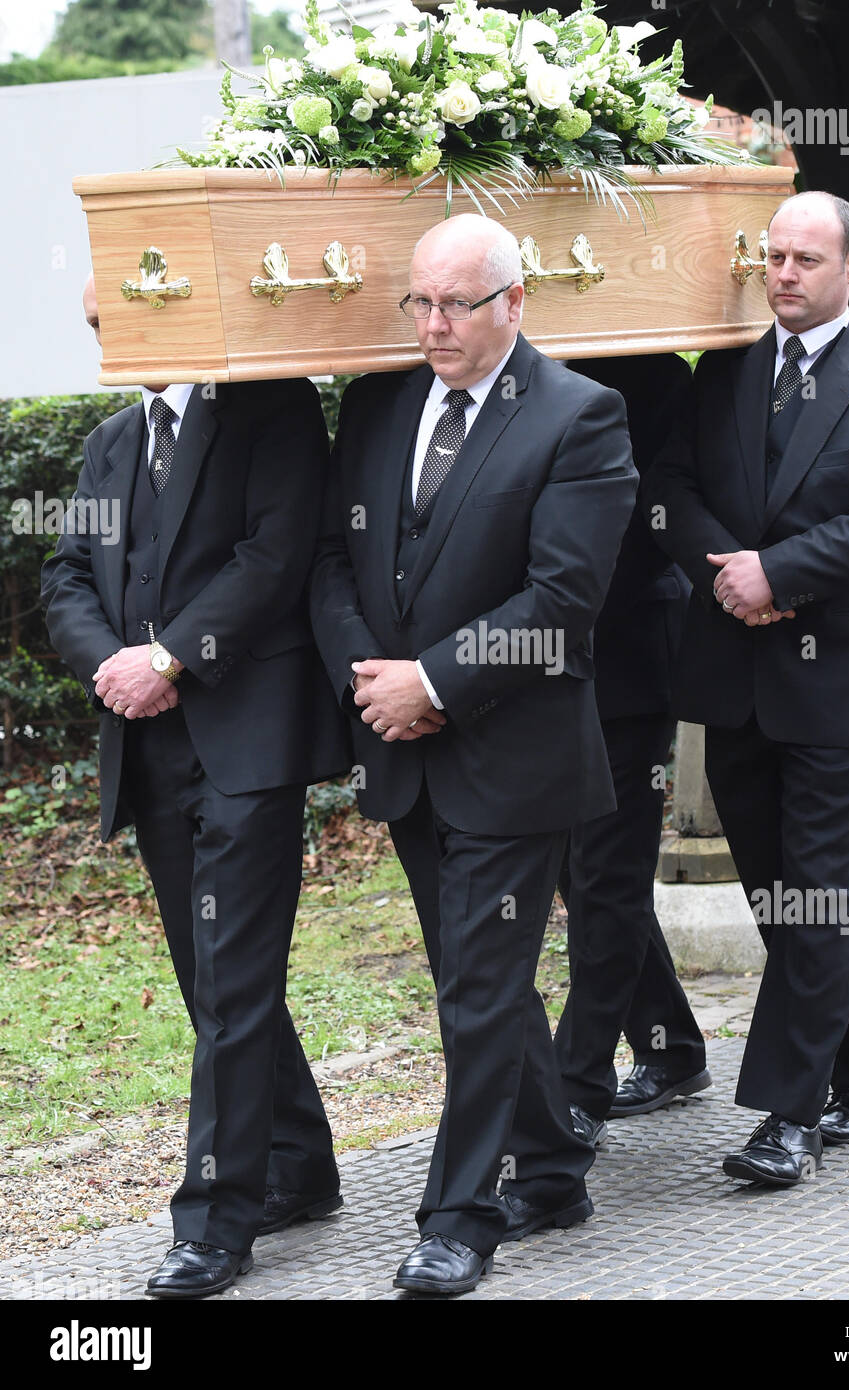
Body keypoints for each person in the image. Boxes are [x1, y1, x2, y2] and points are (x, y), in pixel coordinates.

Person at [310, 213, 637, 1294]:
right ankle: (550, 1166)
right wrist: (375, 680)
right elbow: (333, 560)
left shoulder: (579, 415)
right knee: (474, 977)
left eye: (456, 303)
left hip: (517, 756)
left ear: (514, 301)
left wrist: (435, 682)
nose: (433, 324)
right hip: (402, 745)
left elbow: (563, 599)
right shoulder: (374, 405)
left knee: (481, 985)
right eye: (419, 302)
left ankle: (459, 1216)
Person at [40, 277, 351, 1297]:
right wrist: (115, 669)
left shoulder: (270, 405)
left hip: (246, 743)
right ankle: (300, 1163)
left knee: (229, 980)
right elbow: (66, 580)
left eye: (118, 319)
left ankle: (216, 1221)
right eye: (95, 325)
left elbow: (273, 557)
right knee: (210, 979)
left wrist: (169, 657)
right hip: (148, 744)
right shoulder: (110, 445)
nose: (106, 339)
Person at [644, 191, 849, 1186]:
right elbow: (673, 489)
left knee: (818, 897)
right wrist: (723, 573)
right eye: (771, 256)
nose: (781, 273)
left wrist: (778, 573)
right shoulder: (720, 373)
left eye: (804, 259)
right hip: (733, 676)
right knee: (790, 906)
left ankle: (790, 1114)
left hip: (839, 685)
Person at [555, 354, 711, 1146]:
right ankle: (671, 1046)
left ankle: (570, 1081)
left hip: (623, 658)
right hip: (533, 665)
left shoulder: (647, 378)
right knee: (578, 874)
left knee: (606, 874)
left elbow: (650, 513)